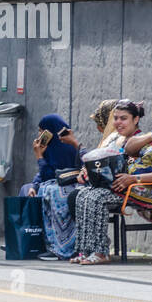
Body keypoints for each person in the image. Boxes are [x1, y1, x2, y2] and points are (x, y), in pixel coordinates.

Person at [69, 99, 152, 265]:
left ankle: (101, 252)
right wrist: (87, 170)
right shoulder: (114, 139)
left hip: (130, 188)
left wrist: (128, 177)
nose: (118, 122)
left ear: (135, 119)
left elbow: (144, 167)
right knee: (81, 196)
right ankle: (85, 250)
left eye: (123, 118)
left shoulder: (142, 140)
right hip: (110, 187)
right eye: (116, 118)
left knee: (95, 198)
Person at [35, 101, 116, 260]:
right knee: (33, 189)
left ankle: (69, 247)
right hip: (88, 182)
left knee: (59, 193)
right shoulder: (108, 139)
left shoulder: (118, 140)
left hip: (97, 183)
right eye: (116, 118)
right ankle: (34, 241)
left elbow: (88, 163)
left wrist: (74, 144)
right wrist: (35, 182)